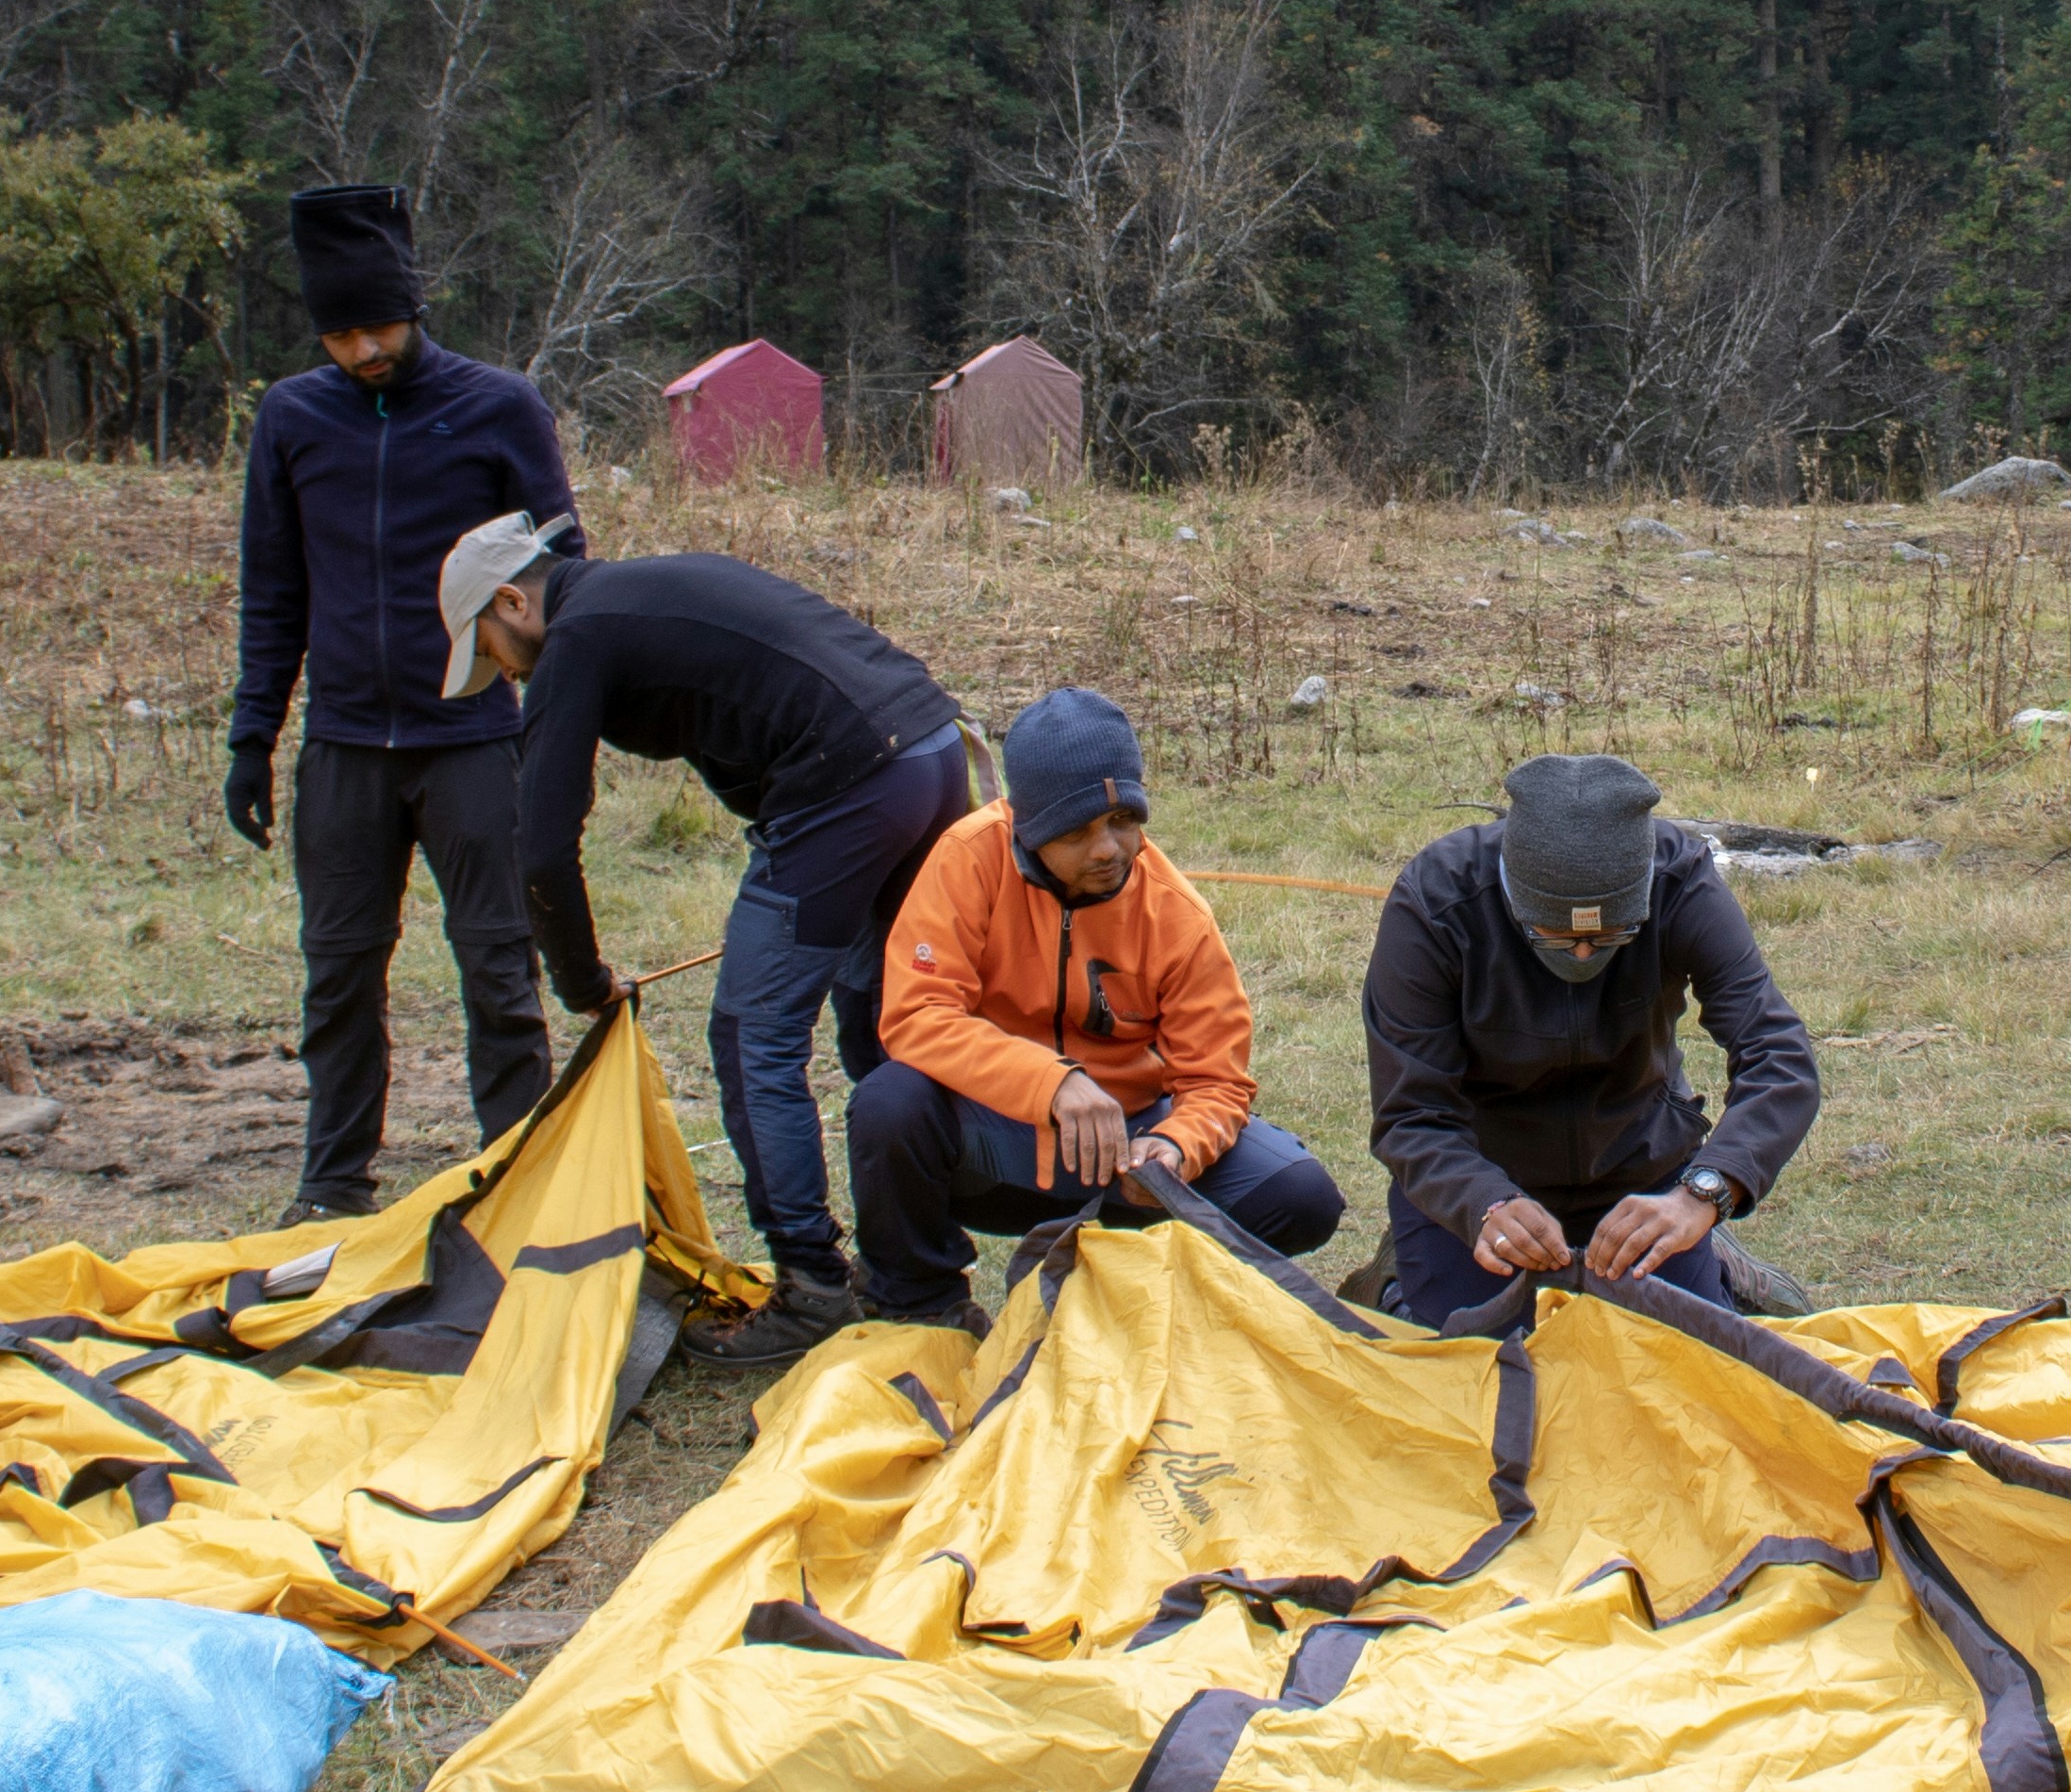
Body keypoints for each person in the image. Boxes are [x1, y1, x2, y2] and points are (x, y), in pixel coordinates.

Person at [452, 522, 967, 1364]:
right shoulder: (647, 582)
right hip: (930, 751)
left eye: (493, 651)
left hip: (851, 783)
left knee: (751, 1037)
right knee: (889, 1024)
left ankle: (811, 1288)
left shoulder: (577, 635)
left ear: (514, 601)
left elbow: (541, 842)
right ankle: (921, 1283)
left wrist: (581, 982)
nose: (507, 677)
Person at [224, 183, 583, 1225]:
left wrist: (556, 731)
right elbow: (273, 585)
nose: (362, 350)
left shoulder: (500, 406)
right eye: (338, 334)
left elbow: (564, 574)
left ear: (414, 308)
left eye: (377, 326)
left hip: (474, 741)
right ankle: (332, 1187)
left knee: (499, 971)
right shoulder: (292, 418)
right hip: (344, 745)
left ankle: (514, 1185)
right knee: (338, 974)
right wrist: (255, 734)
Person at [843, 688, 1343, 1322]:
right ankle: (919, 1304)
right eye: (1077, 832)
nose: (1107, 849)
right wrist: (1049, 1084)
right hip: (996, 1145)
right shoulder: (968, 859)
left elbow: (1217, 1081)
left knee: (1301, 1196)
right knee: (889, 1103)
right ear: (1027, 827)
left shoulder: (1177, 915)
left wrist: (1174, 1148)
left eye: (1124, 822)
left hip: (1126, 1155)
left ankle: (1142, 1285)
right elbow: (916, 1016)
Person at [1363, 752, 1818, 1323]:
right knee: (1479, 1361)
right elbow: (1410, 1113)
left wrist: (1703, 1192)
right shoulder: (1434, 901)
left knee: (1684, 1365)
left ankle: (1710, 1263)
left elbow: (1778, 1056)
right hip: (1477, 1173)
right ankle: (1398, 1279)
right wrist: (1480, 1202)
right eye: (1556, 937)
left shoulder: (1679, 881)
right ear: (1514, 898)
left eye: (1612, 936)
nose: (1583, 954)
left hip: (1641, 1172)